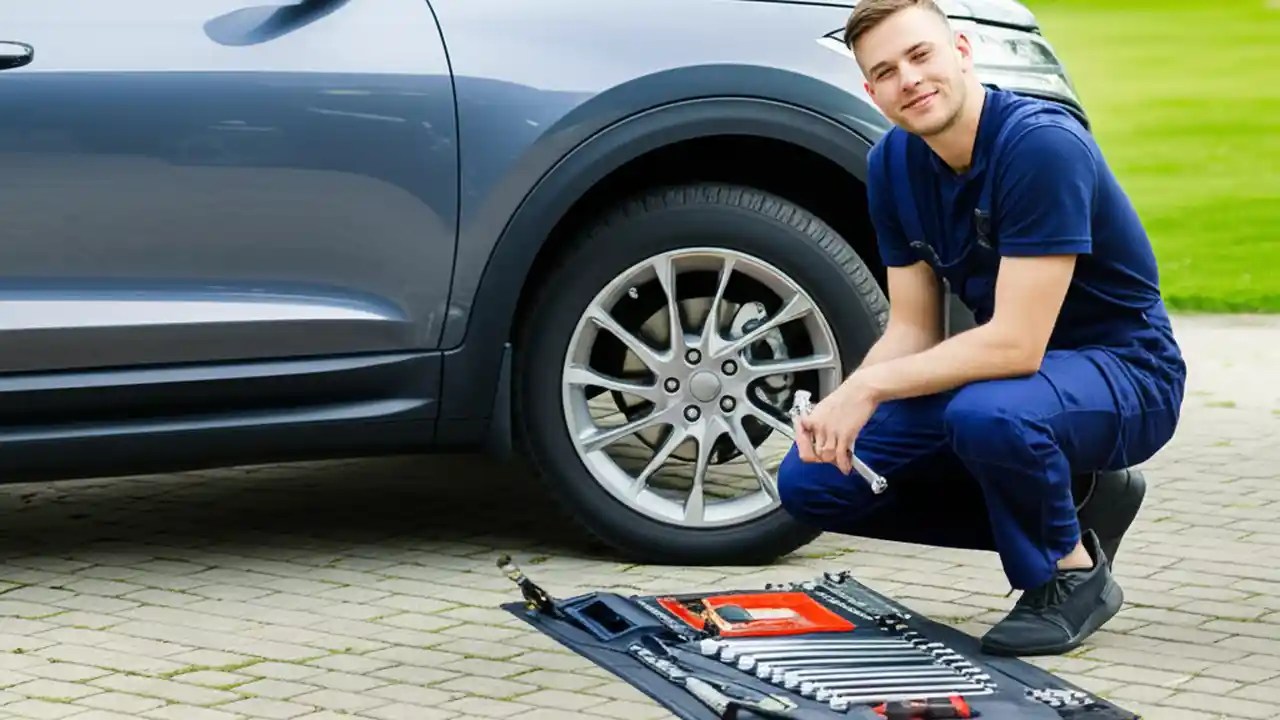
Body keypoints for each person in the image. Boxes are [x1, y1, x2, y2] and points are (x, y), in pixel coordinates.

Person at [777, 0, 1186, 657]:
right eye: (886, 71)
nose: (909, 79)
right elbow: (912, 329)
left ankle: (1069, 575)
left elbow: (1016, 344)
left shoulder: (1040, 145)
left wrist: (870, 387)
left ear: (962, 51)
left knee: (988, 415)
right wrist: (844, 405)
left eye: (920, 55)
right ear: (871, 91)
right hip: (1012, 385)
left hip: (1125, 372)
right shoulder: (892, 165)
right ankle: (1077, 504)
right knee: (813, 481)